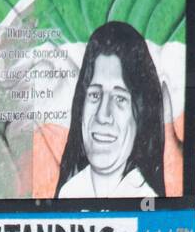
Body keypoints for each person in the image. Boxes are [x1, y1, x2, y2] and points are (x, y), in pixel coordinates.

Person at [56, 21, 166, 200]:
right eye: (94, 95)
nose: (102, 115)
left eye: (120, 98)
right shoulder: (68, 193)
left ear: (141, 113)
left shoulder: (150, 203)